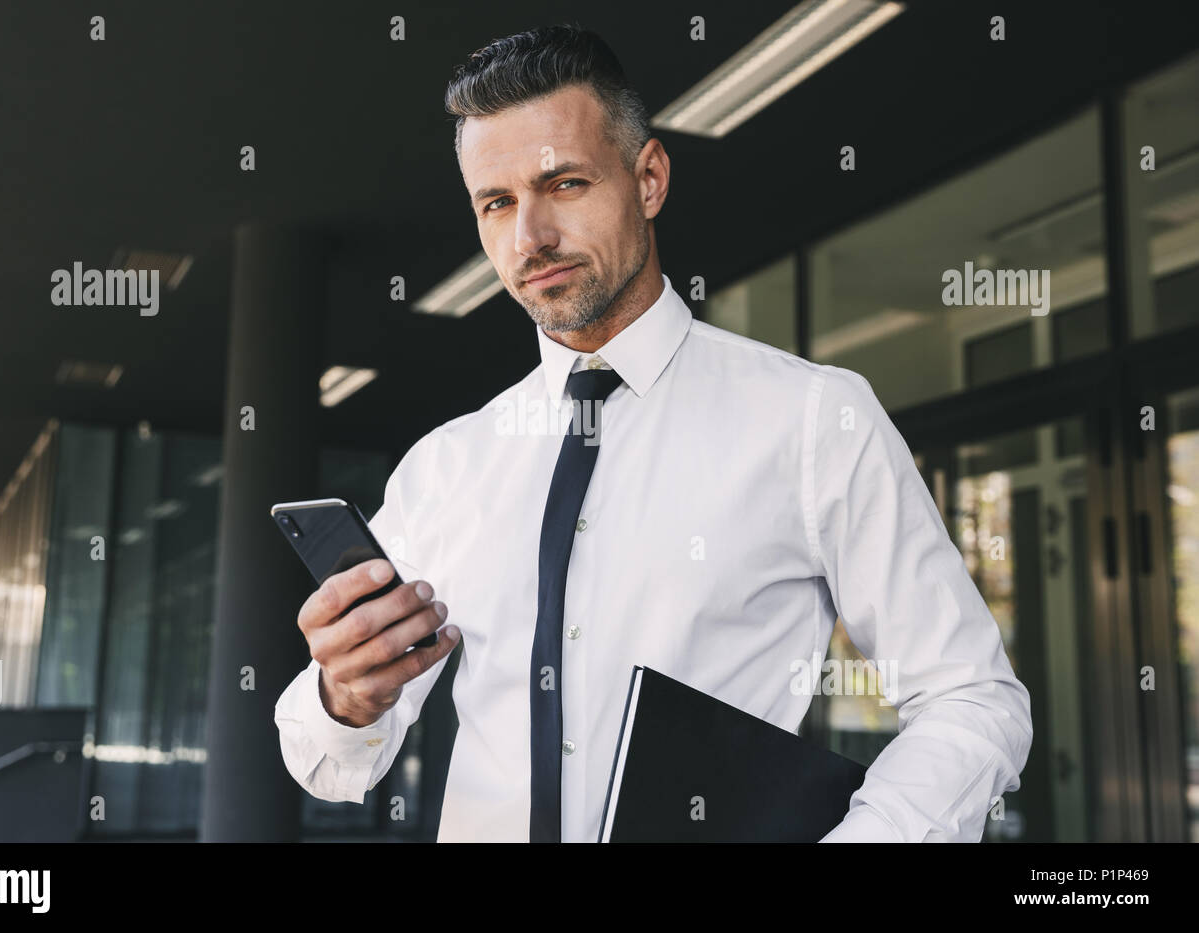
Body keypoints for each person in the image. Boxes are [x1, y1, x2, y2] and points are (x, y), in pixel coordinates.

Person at [274, 23, 1032, 842]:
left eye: (562, 183)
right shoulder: (448, 465)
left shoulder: (815, 420)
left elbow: (972, 698)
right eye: (497, 203)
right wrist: (345, 697)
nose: (529, 237)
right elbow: (329, 763)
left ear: (649, 178)